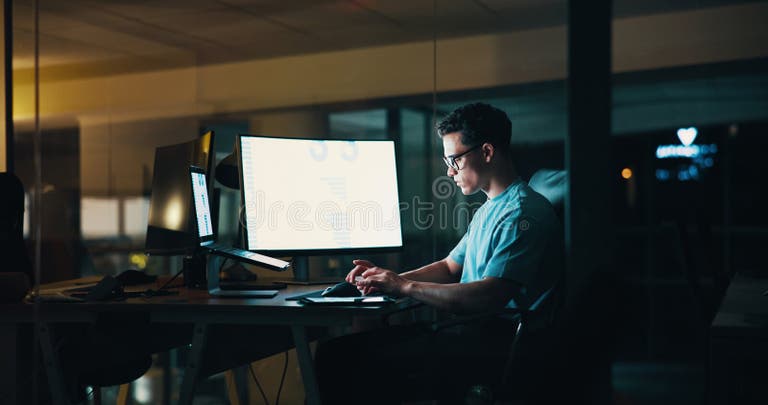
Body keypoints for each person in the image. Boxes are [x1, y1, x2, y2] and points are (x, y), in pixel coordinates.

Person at [315, 102, 564, 403]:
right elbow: (450, 267)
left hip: (489, 346)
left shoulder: (522, 214)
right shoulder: (491, 209)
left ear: (486, 152)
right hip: (471, 335)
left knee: (337, 356)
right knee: (350, 351)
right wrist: (387, 279)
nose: (449, 171)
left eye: (454, 160)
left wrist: (404, 286)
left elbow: (490, 296)